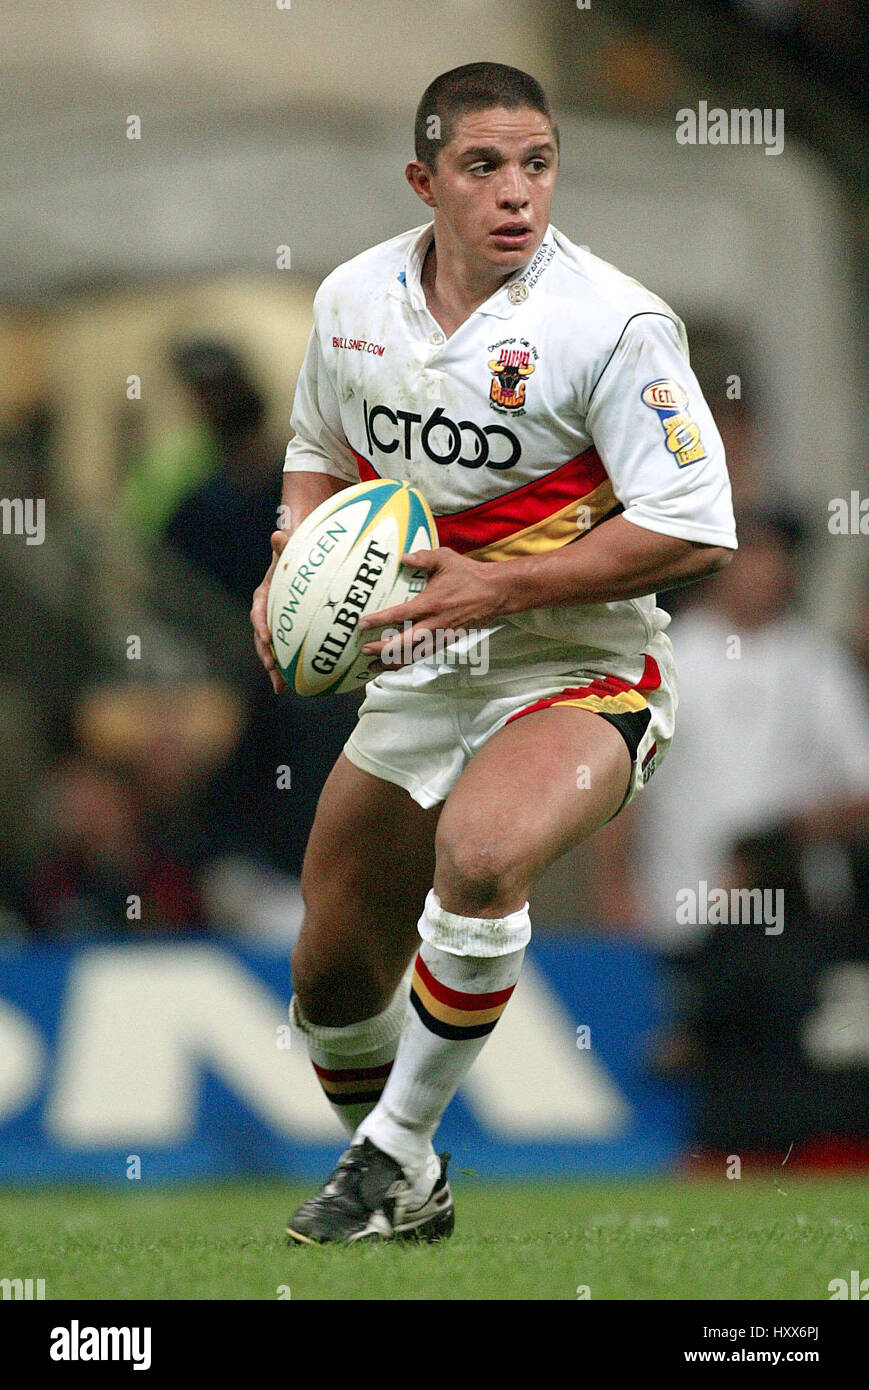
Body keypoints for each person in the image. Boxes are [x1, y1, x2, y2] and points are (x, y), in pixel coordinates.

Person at [250, 62, 737, 1244]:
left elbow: (690, 527)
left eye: (537, 164)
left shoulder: (611, 323)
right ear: (425, 180)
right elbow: (316, 446)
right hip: (419, 666)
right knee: (328, 972)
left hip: (579, 665)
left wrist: (499, 589)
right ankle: (404, 1187)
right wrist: (283, 562)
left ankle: (391, 1152)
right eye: (483, 168)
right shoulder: (353, 299)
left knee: (480, 854)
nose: (517, 193)